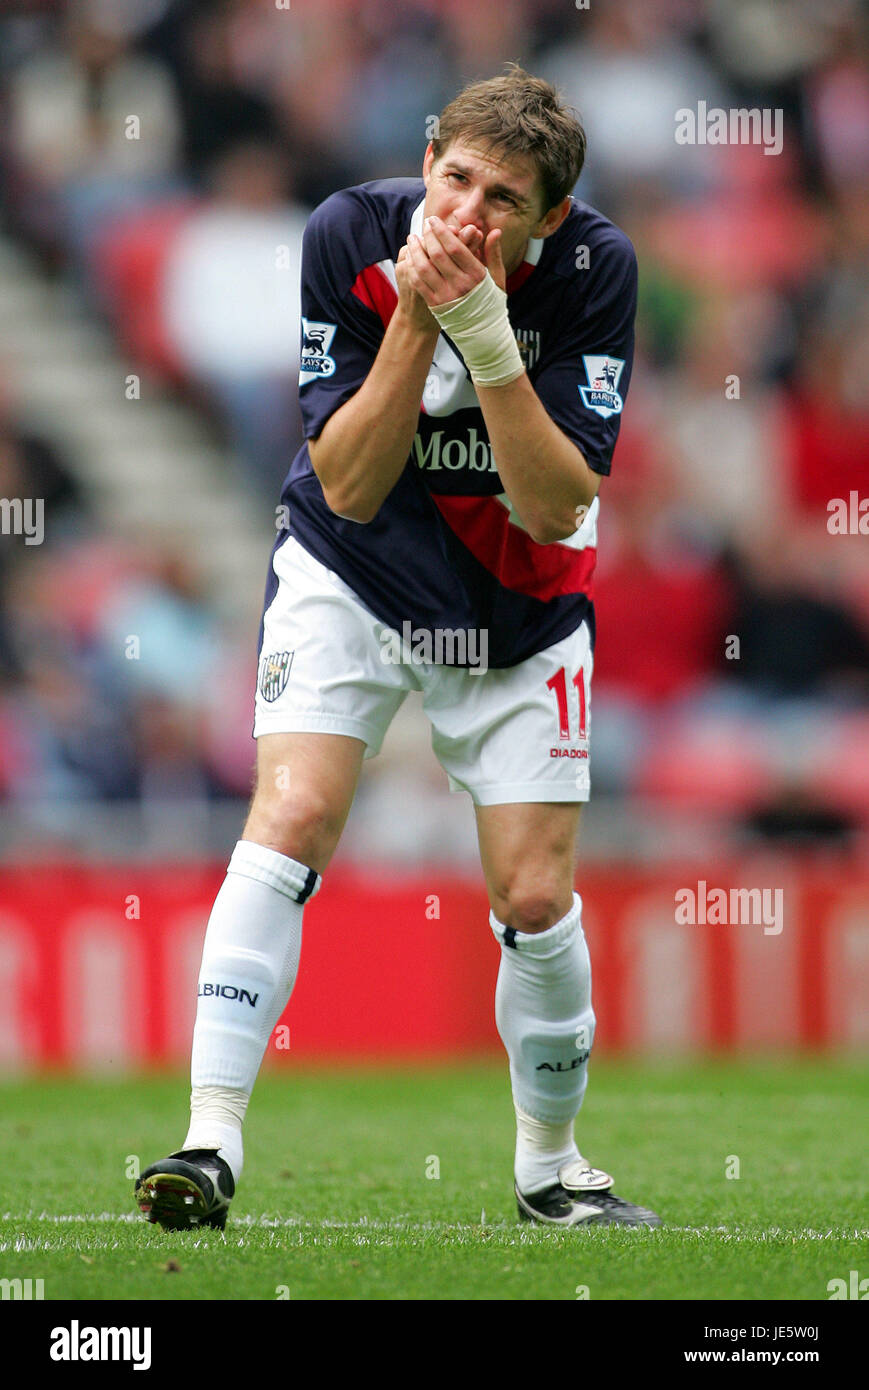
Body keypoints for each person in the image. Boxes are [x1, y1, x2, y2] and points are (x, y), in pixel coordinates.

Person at [135, 66, 660, 1232]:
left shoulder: (596, 271)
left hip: (515, 600)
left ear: (548, 219)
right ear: (427, 165)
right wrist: (421, 316)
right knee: (292, 815)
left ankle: (550, 1166)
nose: (465, 213)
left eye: (501, 200)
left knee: (532, 891)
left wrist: (484, 340)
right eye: (454, 178)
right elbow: (350, 481)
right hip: (352, 566)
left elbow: (547, 504)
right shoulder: (348, 233)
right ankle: (206, 1140)